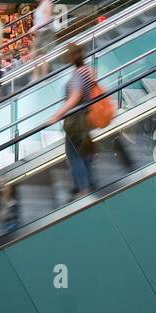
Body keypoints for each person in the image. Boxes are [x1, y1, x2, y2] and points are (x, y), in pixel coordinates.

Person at [45, 43, 98, 197]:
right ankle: (86, 184)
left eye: (66, 55)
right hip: (86, 117)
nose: (64, 58)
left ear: (71, 57)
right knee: (85, 152)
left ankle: (83, 189)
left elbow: (74, 98)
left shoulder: (77, 75)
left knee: (74, 155)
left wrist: (57, 115)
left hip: (76, 120)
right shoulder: (87, 71)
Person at [30, 0, 55, 79]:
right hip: (40, 32)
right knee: (35, 54)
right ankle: (37, 75)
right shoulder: (42, 4)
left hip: (45, 32)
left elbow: (48, 21)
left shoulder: (48, 3)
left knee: (42, 55)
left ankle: (41, 76)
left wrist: (36, 26)